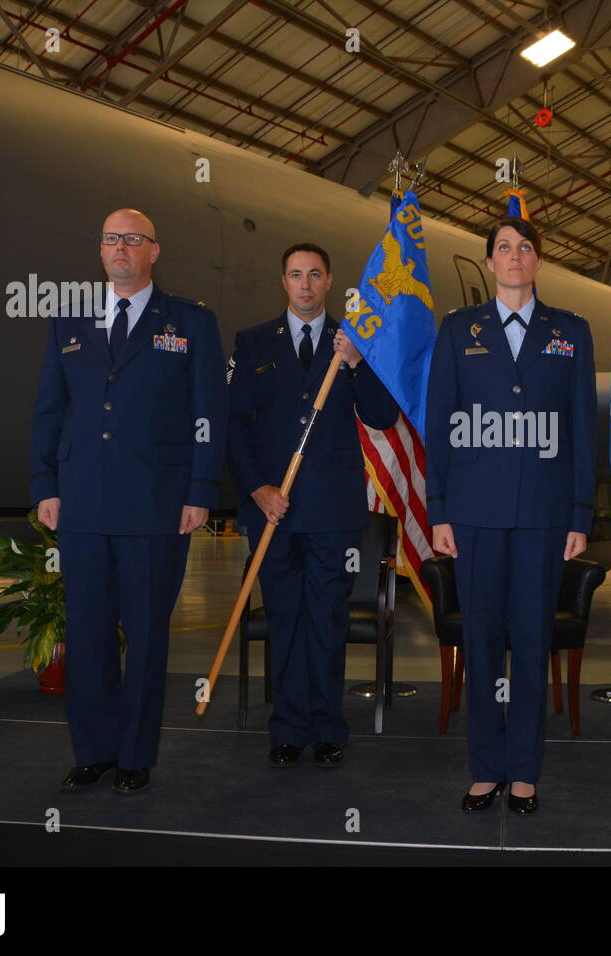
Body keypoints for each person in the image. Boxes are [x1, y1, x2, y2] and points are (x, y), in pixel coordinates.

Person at [31, 208, 227, 794]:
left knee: (145, 634)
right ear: (100, 251)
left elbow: (207, 414)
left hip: (156, 504)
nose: (120, 248)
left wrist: (200, 492)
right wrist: (45, 484)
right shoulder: (68, 322)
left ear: (153, 251)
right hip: (83, 504)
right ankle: (93, 749)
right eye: (111, 239)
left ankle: (136, 754)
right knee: (88, 632)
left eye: (132, 239)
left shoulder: (190, 322)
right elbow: (50, 408)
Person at [425, 218, 597, 814]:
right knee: (479, 641)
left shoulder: (570, 332)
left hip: (544, 518)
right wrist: (438, 510)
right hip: (474, 515)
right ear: (490, 263)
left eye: (526, 248)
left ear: (538, 262)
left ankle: (523, 769)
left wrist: (580, 514)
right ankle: (485, 767)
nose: (515, 256)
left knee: (531, 642)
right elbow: (440, 423)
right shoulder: (457, 331)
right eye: (503, 248)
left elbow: (580, 429)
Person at [226, 243, 398, 768]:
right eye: (295, 275)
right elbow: (232, 426)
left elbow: (383, 415)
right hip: (271, 509)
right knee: (285, 617)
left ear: (329, 283)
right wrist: (257, 488)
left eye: (314, 275)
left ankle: (327, 727)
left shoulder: (352, 343)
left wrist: (356, 364)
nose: (305, 284)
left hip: (331, 511)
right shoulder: (254, 343)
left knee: (326, 619)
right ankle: (287, 726)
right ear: (283, 282)